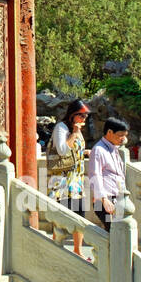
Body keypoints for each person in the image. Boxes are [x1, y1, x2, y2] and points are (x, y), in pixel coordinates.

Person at [45, 100, 89, 255]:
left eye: (85, 116)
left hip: (76, 179)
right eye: (81, 116)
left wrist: (85, 152)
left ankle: (78, 249)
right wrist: (74, 134)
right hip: (62, 179)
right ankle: (56, 245)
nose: (84, 119)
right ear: (72, 115)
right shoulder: (61, 128)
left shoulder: (76, 129)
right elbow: (62, 150)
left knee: (80, 212)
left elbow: (75, 152)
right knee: (61, 214)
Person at [85, 117, 128, 229]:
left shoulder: (114, 148)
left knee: (117, 232)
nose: (123, 139)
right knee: (113, 230)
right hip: (105, 200)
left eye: (125, 135)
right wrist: (104, 199)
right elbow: (95, 175)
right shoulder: (99, 150)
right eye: (120, 135)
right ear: (109, 132)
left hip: (116, 197)